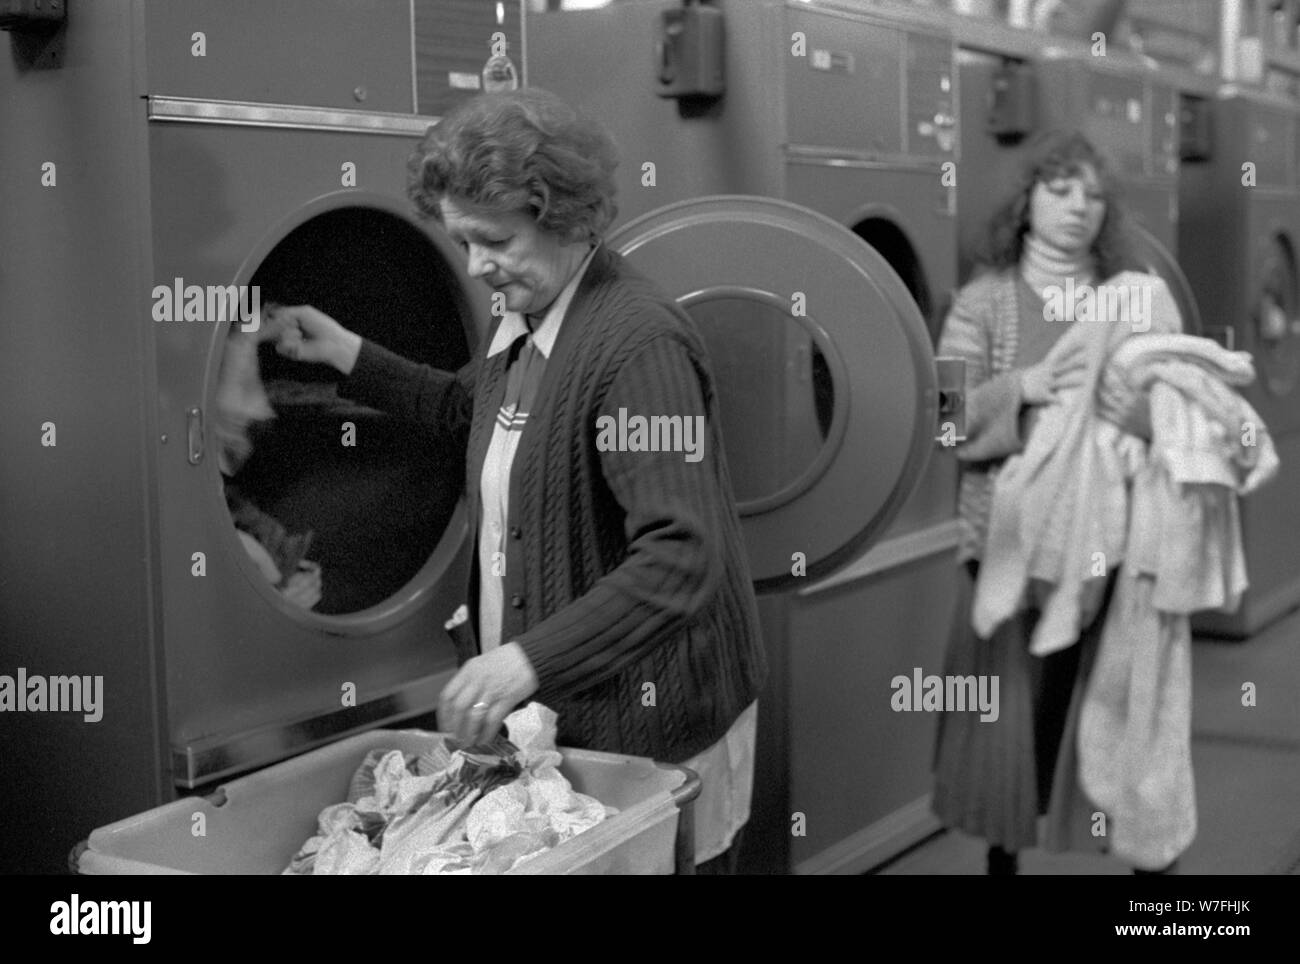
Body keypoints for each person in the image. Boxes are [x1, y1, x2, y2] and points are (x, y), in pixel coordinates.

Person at [268, 88, 767, 873]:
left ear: (564, 215)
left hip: (659, 732)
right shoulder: (528, 319)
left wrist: (523, 660)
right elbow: (476, 410)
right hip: (578, 726)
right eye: (461, 241)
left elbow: (683, 555)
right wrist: (345, 352)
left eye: (494, 239)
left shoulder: (638, 347)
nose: (475, 266)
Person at [930, 129, 1168, 874]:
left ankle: (1153, 873)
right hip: (1008, 541)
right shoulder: (982, 301)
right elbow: (947, 418)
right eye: (1060, 189)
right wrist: (1021, 389)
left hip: (1113, 539)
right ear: (1026, 202)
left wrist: (1144, 420)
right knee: (1010, 721)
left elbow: (1173, 406)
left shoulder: (1129, 295)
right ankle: (1005, 856)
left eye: (1093, 195)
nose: (1078, 208)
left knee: (1122, 703)